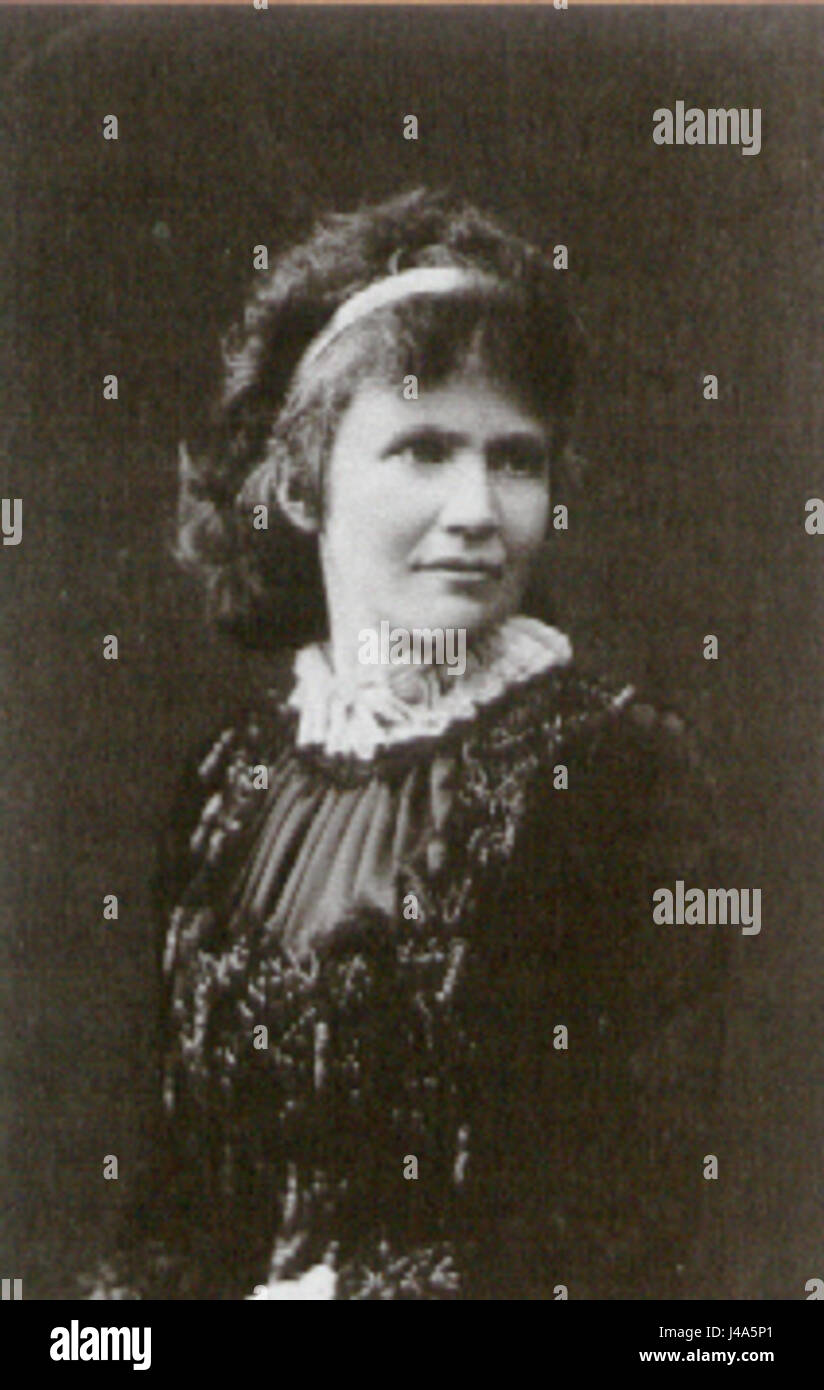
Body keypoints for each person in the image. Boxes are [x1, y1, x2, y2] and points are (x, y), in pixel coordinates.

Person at [90, 187, 728, 1300]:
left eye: (515, 458)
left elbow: (637, 1225)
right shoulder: (224, 788)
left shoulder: (619, 777)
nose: (479, 507)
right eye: (423, 448)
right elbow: (171, 1208)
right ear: (300, 481)